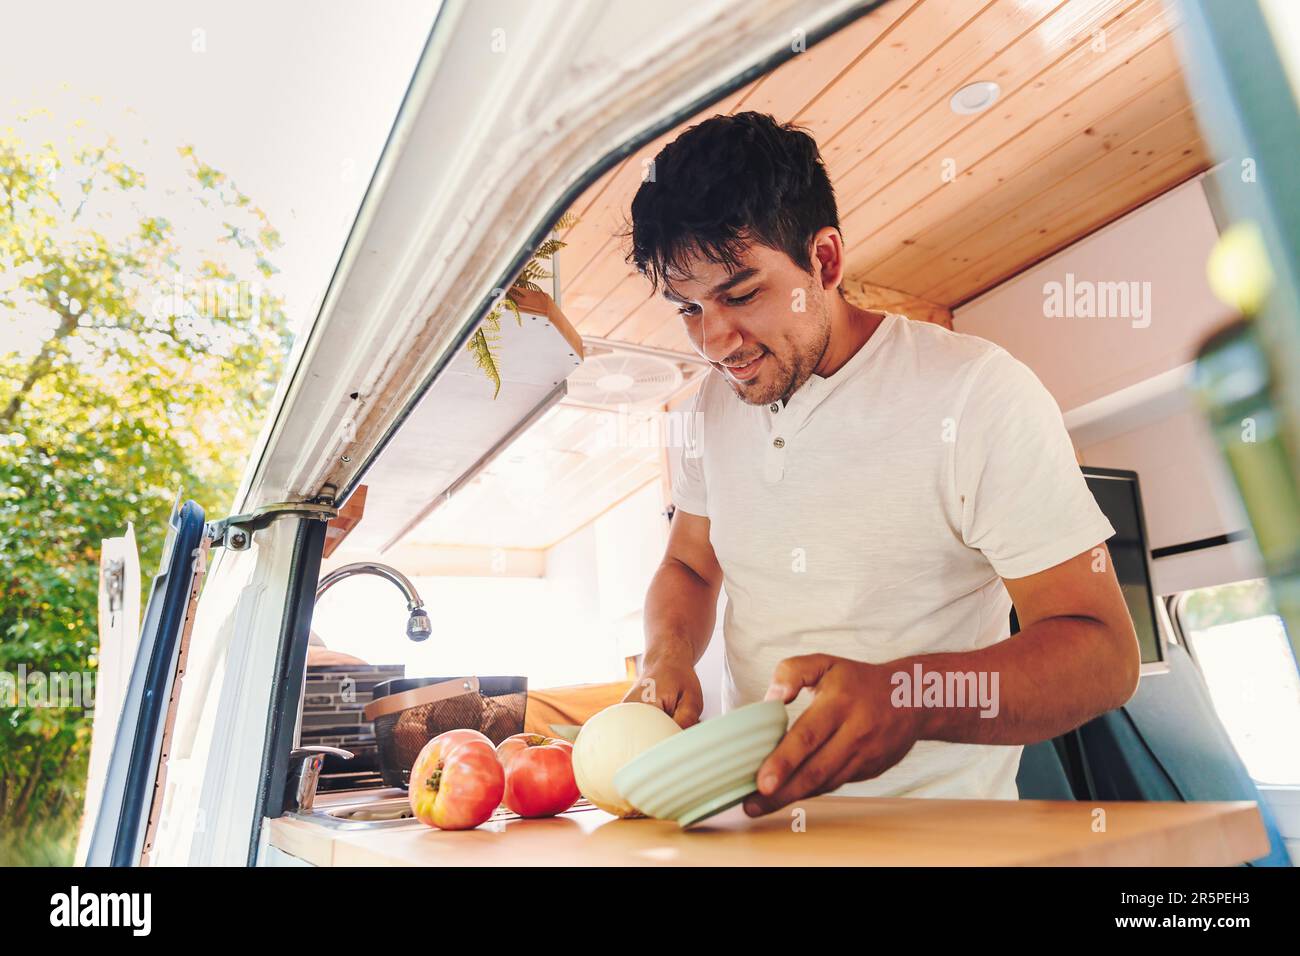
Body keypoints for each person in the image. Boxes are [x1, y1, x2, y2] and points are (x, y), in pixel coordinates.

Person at [622, 112, 1139, 815]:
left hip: (941, 844)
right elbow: (688, 563)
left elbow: (1103, 655)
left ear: (825, 262)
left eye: (741, 294)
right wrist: (667, 655)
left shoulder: (976, 392)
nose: (714, 342)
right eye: (688, 308)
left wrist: (910, 695)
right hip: (756, 829)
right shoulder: (710, 408)